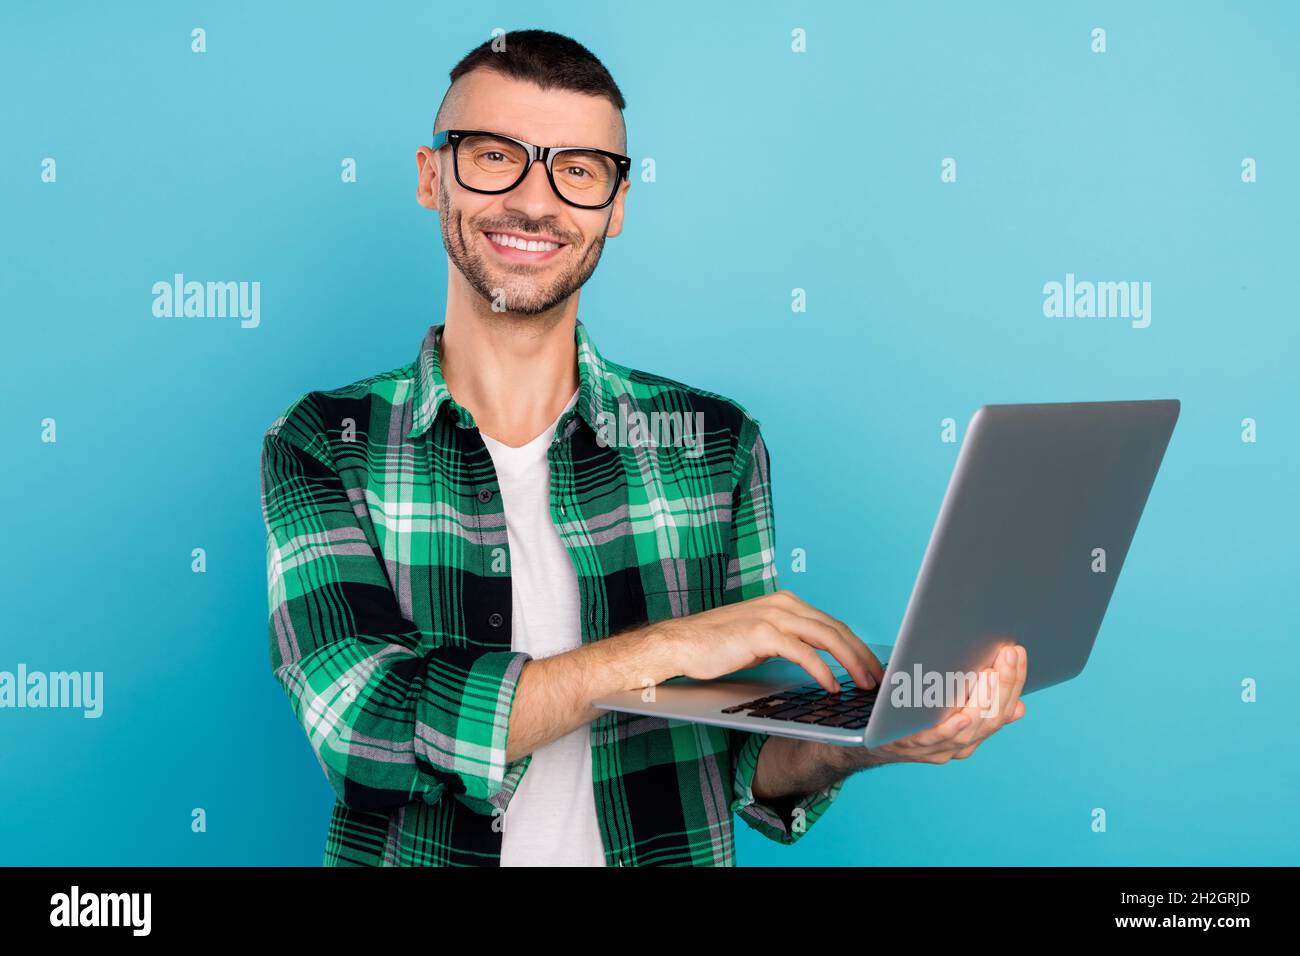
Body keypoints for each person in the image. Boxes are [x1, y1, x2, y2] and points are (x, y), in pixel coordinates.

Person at [258, 29, 1028, 867]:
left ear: (616, 206)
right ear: (430, 175)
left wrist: (868, 742)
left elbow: (739, 759)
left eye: (578, 170)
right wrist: (663, 652)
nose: (536, 202)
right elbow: (366, 728)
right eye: (493, 156)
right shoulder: (327, 442)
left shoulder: (714, 444)